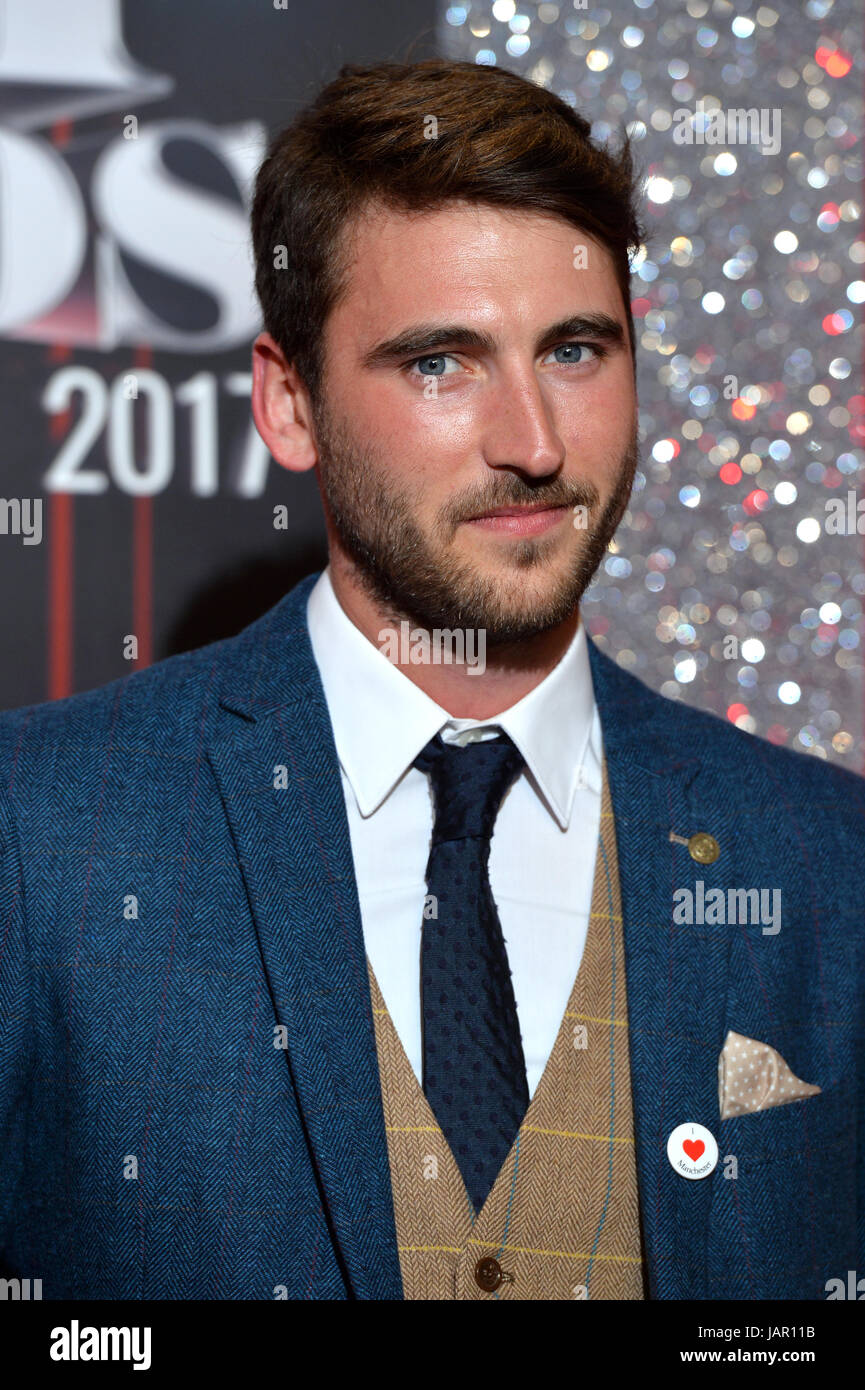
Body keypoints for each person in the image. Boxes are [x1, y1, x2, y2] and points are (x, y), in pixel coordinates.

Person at [0, 58, 861, 1301]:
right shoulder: (45, 833)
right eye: (439, 364)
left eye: (573, 350)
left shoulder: (826, 863)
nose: (533, 443)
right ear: (290, 406)